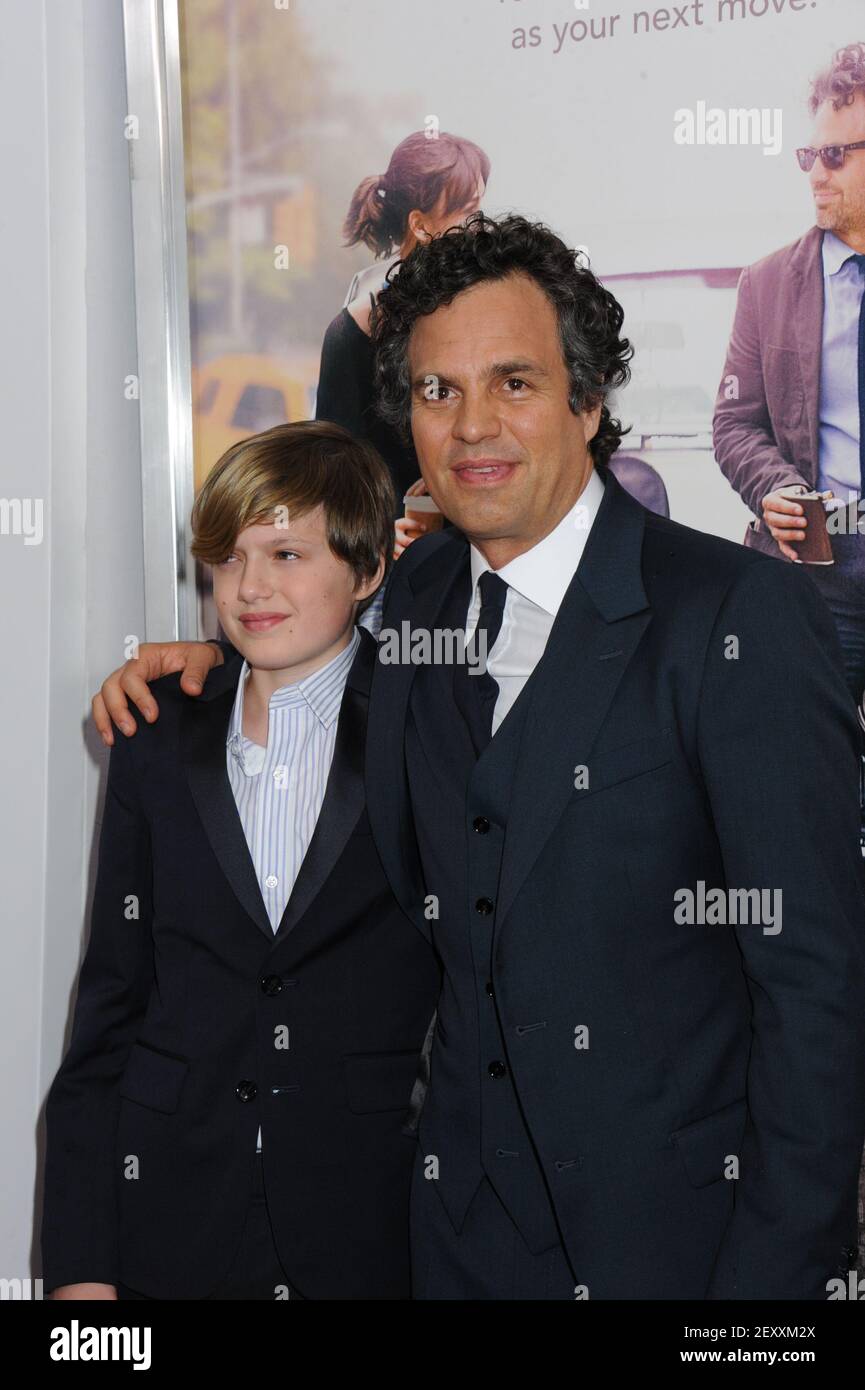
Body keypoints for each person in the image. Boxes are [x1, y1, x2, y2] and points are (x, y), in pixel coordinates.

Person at [93, 214, 865, 1301]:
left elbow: (817, 988)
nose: (470, 427)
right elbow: (306, 678)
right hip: (450, 1242)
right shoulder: (411, 595)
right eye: (436, 391)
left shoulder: (736, 615)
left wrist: (771, 1299)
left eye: (513, 381)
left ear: (588, 403)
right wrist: (202, 672)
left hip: (679, 1253)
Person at [42, 421, 440, 1300]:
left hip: (369, 1226)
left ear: (369, 570)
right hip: (168, 1227)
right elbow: (110, 1003)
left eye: (288, 554)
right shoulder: (153, 732)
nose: (251, 588)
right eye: (230, 557)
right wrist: (78, 1274)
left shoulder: (432, 730)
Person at [714, 41, 865, 716]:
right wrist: (774, 487)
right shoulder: (767, 283)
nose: (815, 174)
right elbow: (733, 423)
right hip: (817, 571)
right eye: (810, 155)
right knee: (810, 777)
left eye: (836, 155)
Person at [316, 130, 489, 516]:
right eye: (470, 212)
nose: (480, 225)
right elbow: (333, 475)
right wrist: (382, 539)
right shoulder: (352, 333)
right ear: (421, 225)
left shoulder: (484, 305)